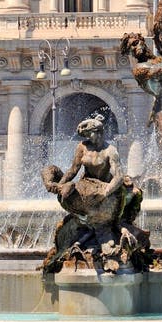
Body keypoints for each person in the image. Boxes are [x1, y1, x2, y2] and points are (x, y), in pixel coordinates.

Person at [41, 115, 150, 273]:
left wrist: (106, 192)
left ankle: (103, 237)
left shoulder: (110, 151)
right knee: (51, 173)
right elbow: (73, 170)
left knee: (93, 208)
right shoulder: (83, 147)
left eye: (88, 134)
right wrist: (60, 184)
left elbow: (119, 176)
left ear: (97, 132)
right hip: (86, 187)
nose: (86, 138)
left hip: (104, 191)